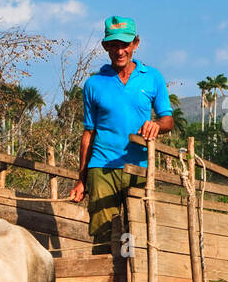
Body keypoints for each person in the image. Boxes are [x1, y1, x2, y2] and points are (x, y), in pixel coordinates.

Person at [68, 15, 174, 254]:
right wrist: (81, 179)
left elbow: (168, 120)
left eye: (125, 44)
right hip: (101, 167)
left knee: (138, 231)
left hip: (139, 166)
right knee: (105, 233)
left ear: (136, 44)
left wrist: (157, 125)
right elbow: (88, 134)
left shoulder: (152, 77)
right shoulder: (94, 84)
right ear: (105, 46)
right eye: (113, 45)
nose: (120, 51)